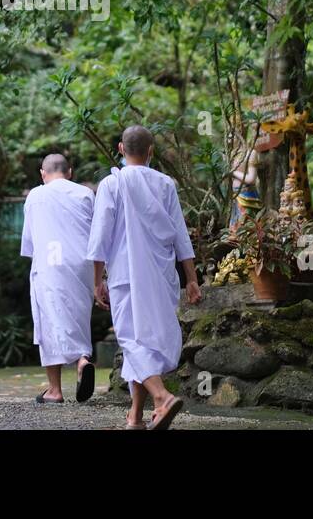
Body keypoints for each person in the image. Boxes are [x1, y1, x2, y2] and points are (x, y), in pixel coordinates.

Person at [87, 125, 201, 430]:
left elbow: (99, 238)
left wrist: (97, 280)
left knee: (131, 341)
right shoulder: (166, 184)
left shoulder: (111, 184)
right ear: (151, 152)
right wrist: (191, 278)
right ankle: (135, 416)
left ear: (121, 149)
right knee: (144, 343)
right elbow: (180, 235)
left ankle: (162, 397)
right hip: (161, 276)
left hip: (124, 275)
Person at [21, 153, 96, 405]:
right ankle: (82, 358)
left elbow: (29, 244)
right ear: (70, 172)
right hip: (82, 264)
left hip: (49, 264)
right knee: (78, 315)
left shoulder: (36, 195)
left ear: (42, 174)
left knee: (49, 320)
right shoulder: (85, 194)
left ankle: (55, 389)